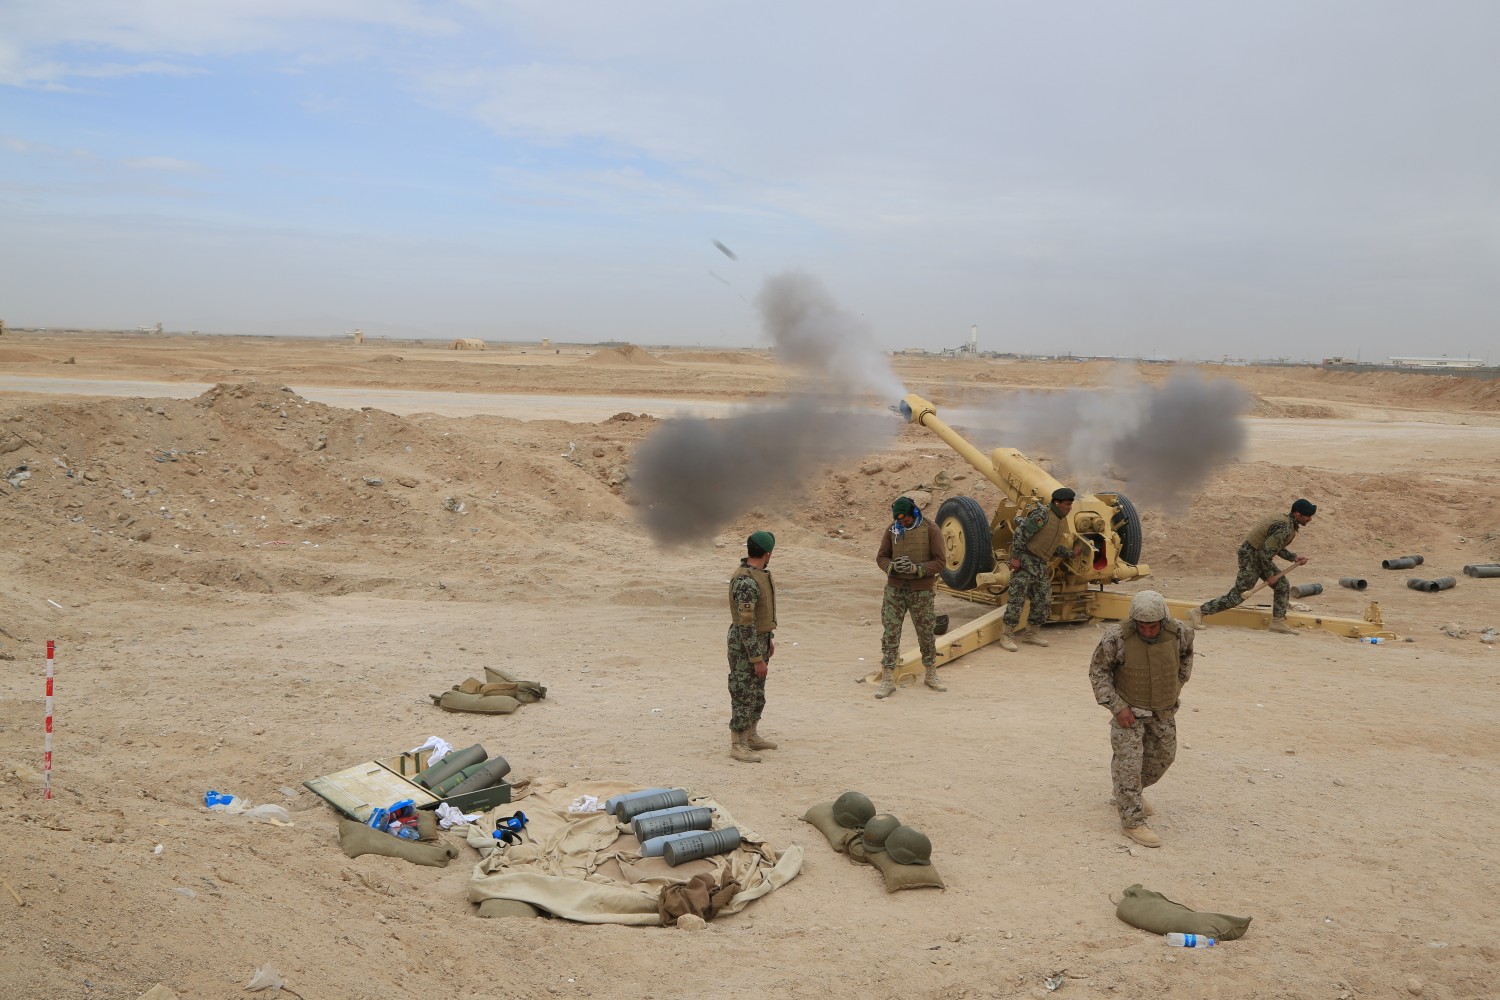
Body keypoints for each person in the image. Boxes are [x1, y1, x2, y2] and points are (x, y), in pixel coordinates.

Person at [1089, 590, 1194, 849]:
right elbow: (1098, 672)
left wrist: (1175, 688)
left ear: (1163, 620)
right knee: (1129, 764)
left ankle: (1129, 792)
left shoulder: (1180, 633)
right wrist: (1117, 707)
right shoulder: (1116, 638)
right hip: (1129, 711)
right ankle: (1132, 821)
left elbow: (1185, 659)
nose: (1147, 631)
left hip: (1163, 709)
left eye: (1153, 626)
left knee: (1163, 757)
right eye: (1142, 627)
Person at [1189, 499, 1315, 635]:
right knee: (1239, 595)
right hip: (1251, 557)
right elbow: (1265, 552)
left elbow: (1273, 547)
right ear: (1297, 514)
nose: (1310, 519)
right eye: (1307, 515)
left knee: (1282, 585)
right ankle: (1198, 612)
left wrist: (1293, 557)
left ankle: (1278, 622)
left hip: (1258, 556)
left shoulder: (1287, 523)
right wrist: (1270, 575)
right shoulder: (1284, 527)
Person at [873, 496, 948, 699]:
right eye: (900, 521)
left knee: (925, 633)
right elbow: (881, 556)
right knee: (890, 633)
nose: (902, 524)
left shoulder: (931, 529)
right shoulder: (892, 530)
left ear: (914, 513)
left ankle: (931, 673)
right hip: (895, 590)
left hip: (920, 591)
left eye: (905, 520)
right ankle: (888, 678)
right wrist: (891, 567)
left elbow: (941, 561)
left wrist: (918, 569)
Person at [999, 487, 1084, 651]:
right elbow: (1020, 533)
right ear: (1057, 503)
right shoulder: (1042, 515)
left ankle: (1031, 634)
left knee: (1042, 600)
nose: (1069, 508)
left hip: (1040, 565)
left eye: (1071, 505)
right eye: (1067, 505)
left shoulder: (1060, 521)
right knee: (1017, 601)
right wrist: (1015, 558)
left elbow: (1053, 546)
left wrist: (1070, 553)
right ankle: (1006, 636)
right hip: (1025, 561)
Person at [727, 530, 779, 763]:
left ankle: (751, 735)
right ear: (767, 553)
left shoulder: (757, 575)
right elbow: (745, 624)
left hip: (758, 641)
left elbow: (758, 618)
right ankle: (738, 743)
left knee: (757, 693)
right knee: (743, 693)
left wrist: (767, 641)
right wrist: (756, 658)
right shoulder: (746, 581)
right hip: (745, 646)